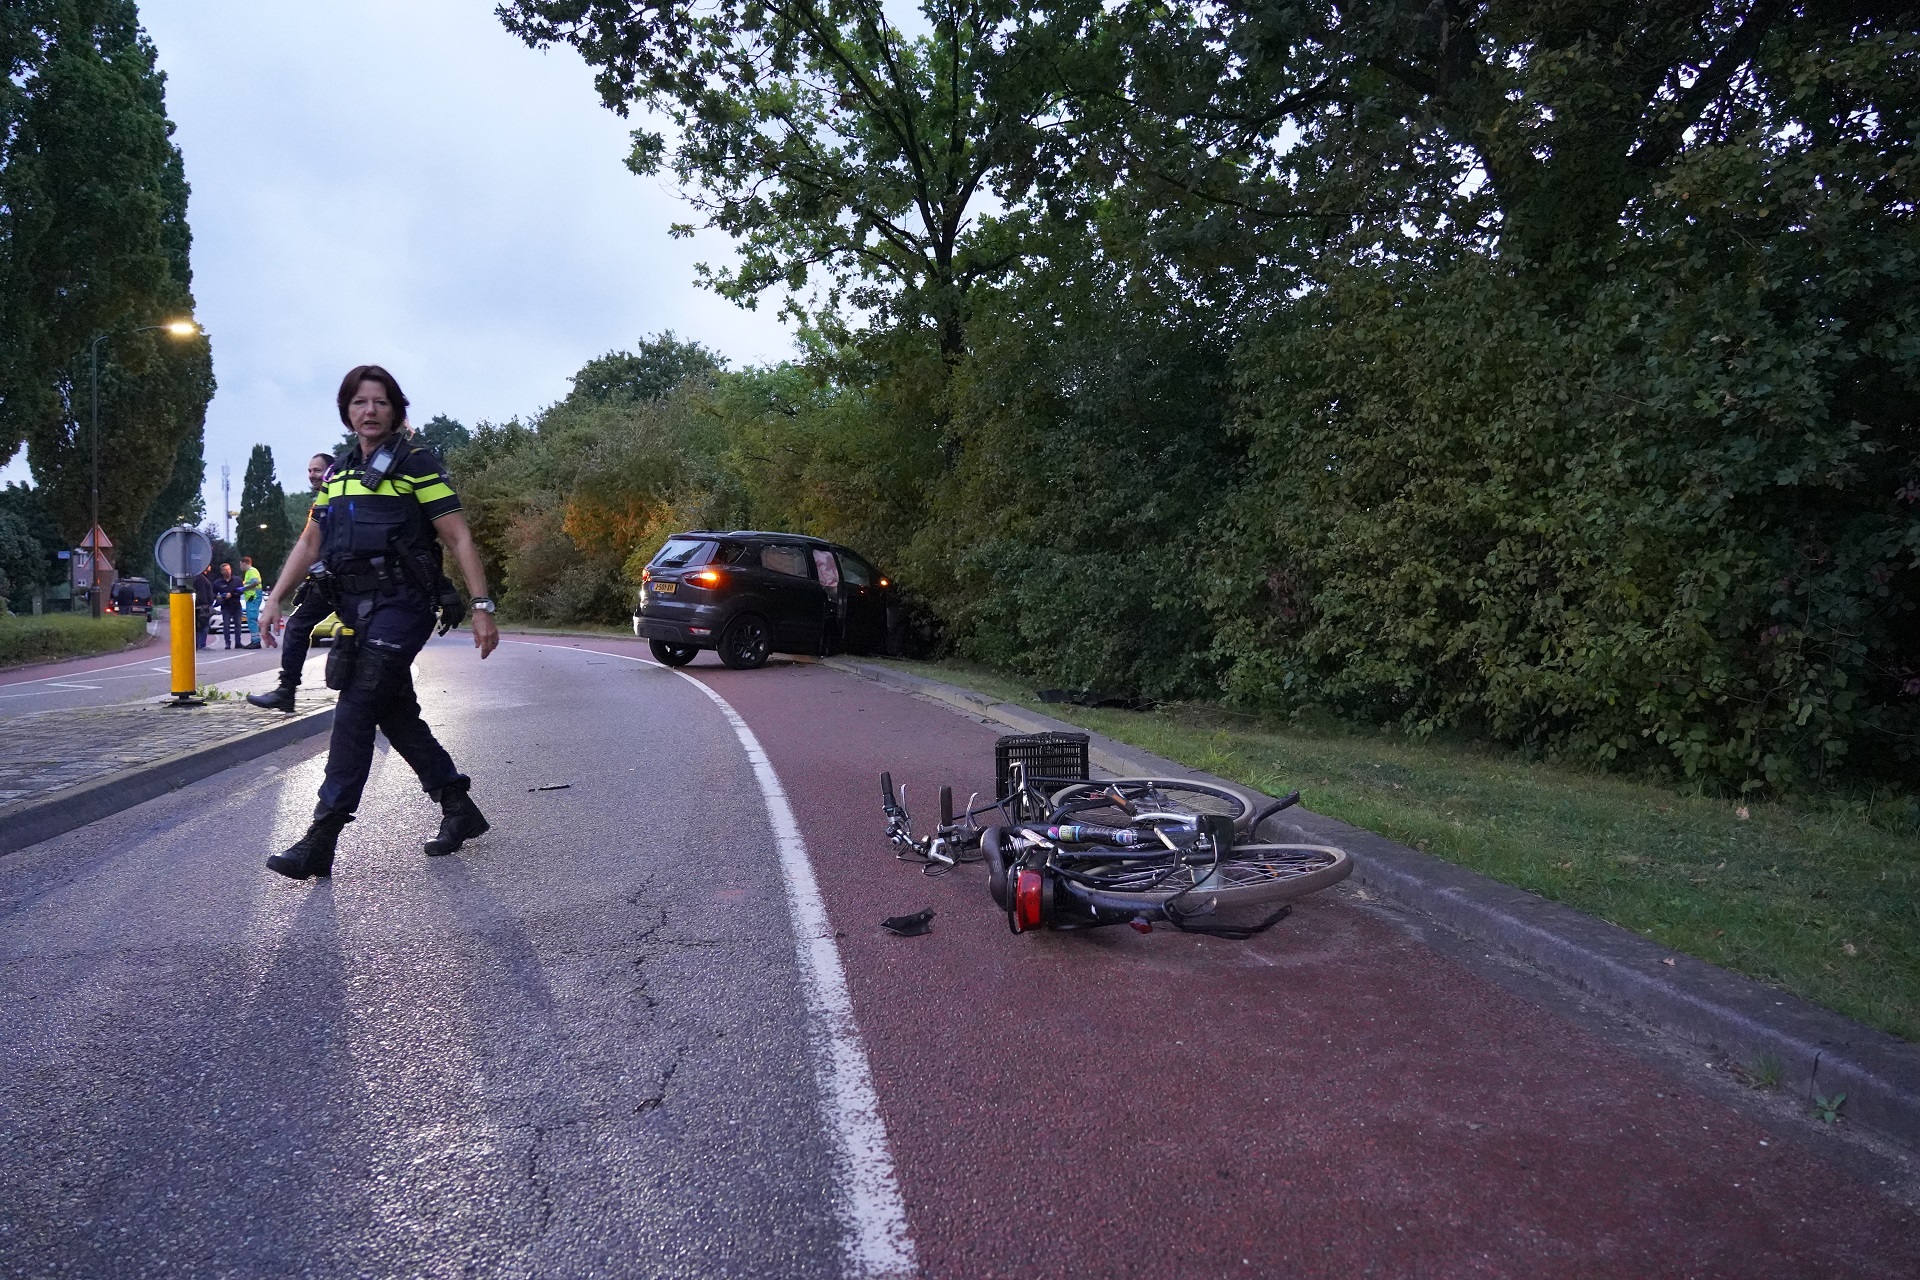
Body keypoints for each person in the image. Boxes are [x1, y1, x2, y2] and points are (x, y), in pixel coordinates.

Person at [258, 364, 499, 879]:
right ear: (347, 411)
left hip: (405, 606)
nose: (370, 411)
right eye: (359, 402)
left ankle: (321, 837)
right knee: (395, 714)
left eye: (380, 402)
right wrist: (274, 597)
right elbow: (310, 541)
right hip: (356, 610)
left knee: (356, 705)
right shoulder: (339, 471)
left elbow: (458, 537)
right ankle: (459, 807)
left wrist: (482, 607)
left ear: (396, 410)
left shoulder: (417, 464)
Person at [247, 452, 341, 712]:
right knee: (298, 625)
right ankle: (286, 690)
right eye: (309, 470)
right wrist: (276, 598)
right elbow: (309, 545)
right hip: (331, 580)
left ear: (331, 470)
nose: (312, 475)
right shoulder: (320, 502)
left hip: (357, 579)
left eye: (317, 470)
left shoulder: (344, 493)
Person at [212, 563, 243, 648]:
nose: (228, 571)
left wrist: (232, 594)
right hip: (225, 606)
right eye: (225, 570)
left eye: (229, 569)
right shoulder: (218, 583)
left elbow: (241, 591)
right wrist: (218, 597)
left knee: (238, 624)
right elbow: (213, 593)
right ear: (222, 572)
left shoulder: (237, 580)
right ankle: (227, 643)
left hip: (236, 605)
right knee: (226, 625)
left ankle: (238, 642)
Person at [240, 556, 264, 648]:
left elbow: (256, 583)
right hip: (252, 597)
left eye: (240, 564)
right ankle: (255, 640)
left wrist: (243, 588)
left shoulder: (251, 571)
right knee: (251, 619)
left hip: (253, 597)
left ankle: (256, 642)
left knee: (252, 619)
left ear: (244, 563)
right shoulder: (249, 572)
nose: (240, 566)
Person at [192, 564, 214, 649]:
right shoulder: (201, 578)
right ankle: (201, 644)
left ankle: (199, 644)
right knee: (203, 625)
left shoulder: (201, 577)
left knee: (201, 625)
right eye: (209, 565)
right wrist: (206, 603)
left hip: (202, 605)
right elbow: (202, 592)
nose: (210, 567)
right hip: (203, 606)